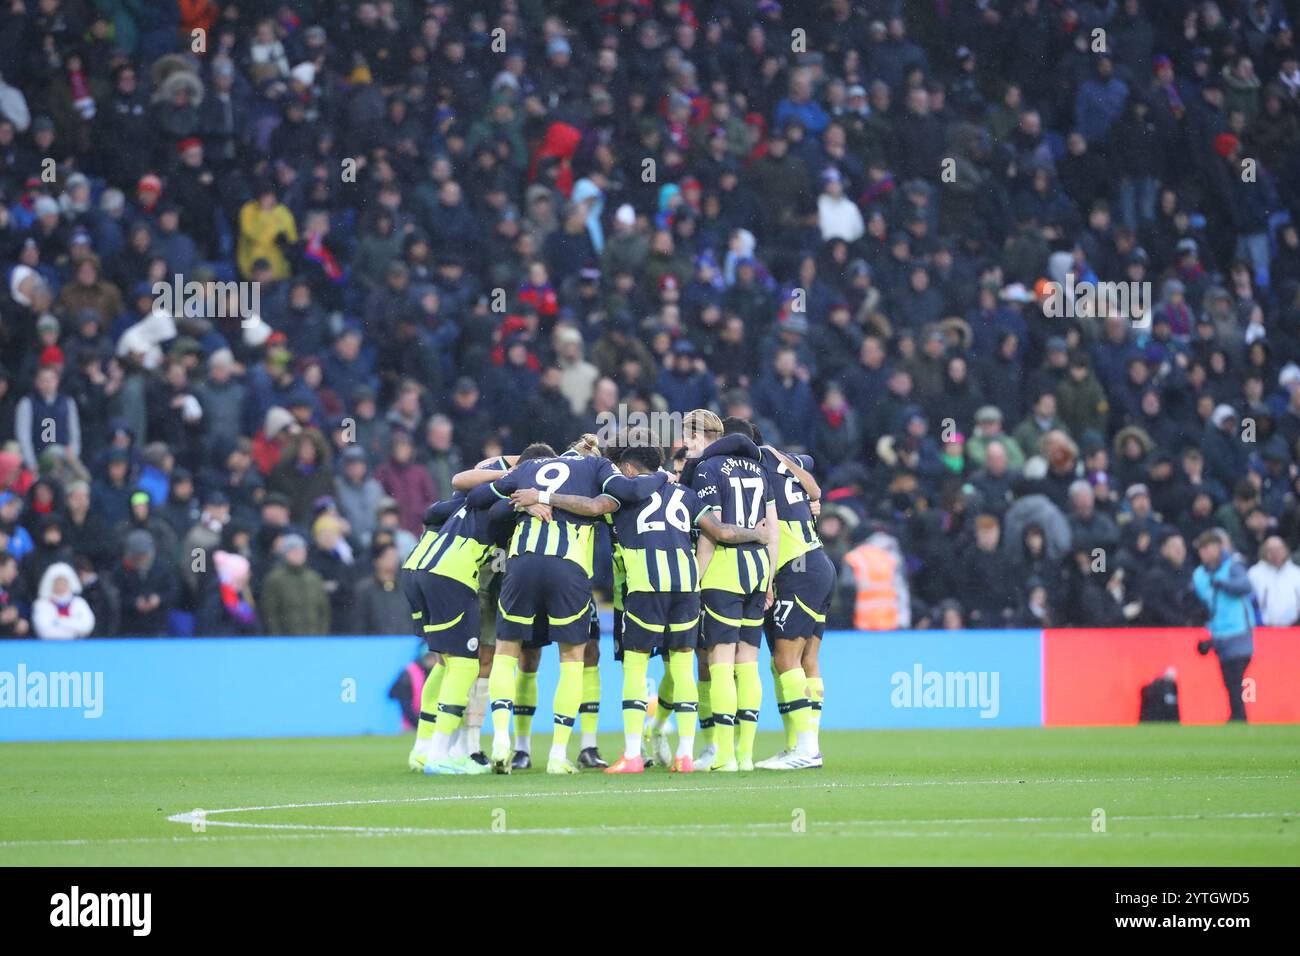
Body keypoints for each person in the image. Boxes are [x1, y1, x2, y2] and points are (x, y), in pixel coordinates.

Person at [462, 438, 660, 774]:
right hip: (568, 568)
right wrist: (661, 477)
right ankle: (557, 754)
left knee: (507, 652)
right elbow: (626, 492)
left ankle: (499, 739)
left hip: (521, 565)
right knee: (572, 659)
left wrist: (519, 500)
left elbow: (477, 497)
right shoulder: (596, 467)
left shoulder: (527, 468)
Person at [679, 409, 776, 773]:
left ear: (704, 435)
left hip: (725, 568)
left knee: (719, 663)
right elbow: (772, 528)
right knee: (747, 662)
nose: (685, 444)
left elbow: (713, 532)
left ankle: (724, 755)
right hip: (756, 568)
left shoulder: (708, 469)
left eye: (689, 436)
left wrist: (695, 579)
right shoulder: (758, 468)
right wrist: (769, 578)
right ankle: (746, 755)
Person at [1191, 530, 1256, 722]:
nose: (1205, 553)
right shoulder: (1199, 574)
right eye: (1202, 549)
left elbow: (1245, 586)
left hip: (1238, 631)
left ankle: (1238, 716)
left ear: (1219, 547)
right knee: (1229, 679)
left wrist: (1223, 583)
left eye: (1208, 548)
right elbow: (1198, 601)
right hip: (1218, 633)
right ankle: (1237, 716)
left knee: (1234, 676)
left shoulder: (1231, 567)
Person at [260, 534, 330, 636]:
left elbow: (324, 610)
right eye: (294, 551)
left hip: (314, 638)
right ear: (285, 554)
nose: (299, 554)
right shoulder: (275, 579)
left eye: (301, 551)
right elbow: (270, 612)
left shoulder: (314, 578)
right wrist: (277, 637)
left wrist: (322, 634)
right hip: (288, 640)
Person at [31, 562, 95, 640]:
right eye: (58, 582)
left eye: (64, 582)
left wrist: (59, 621)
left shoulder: (79, 602)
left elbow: (87, 626)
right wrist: (74, 624)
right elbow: (45, 631)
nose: (61, 585)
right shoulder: (42, 605)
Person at [1247, 536, 1300, 626]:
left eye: (1278, 549)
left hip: (1294, 628)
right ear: (1264, 551)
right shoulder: (1254, 573)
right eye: (1271, 550)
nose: (1275, 553)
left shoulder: (1296, 573)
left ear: (1285, 550)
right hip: (1263, 629)